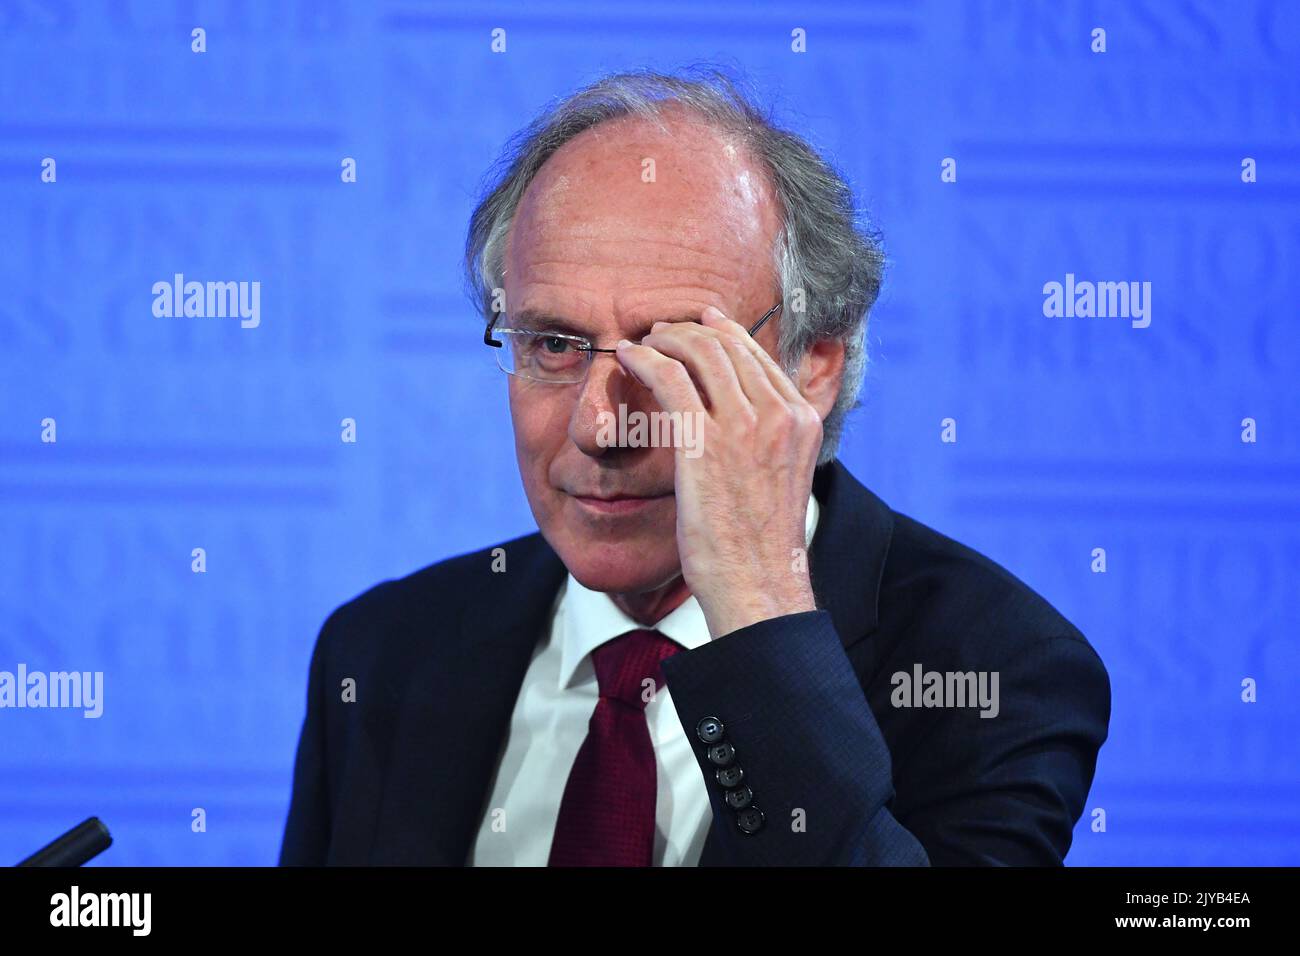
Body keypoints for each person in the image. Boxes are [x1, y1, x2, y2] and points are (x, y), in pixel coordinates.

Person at [279, 67, 1110, 867]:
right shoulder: (381, 652)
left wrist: (759, 611)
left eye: (672, 352)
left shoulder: (993, 670)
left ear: (814, 362)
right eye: (555, 346)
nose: (601, 426)